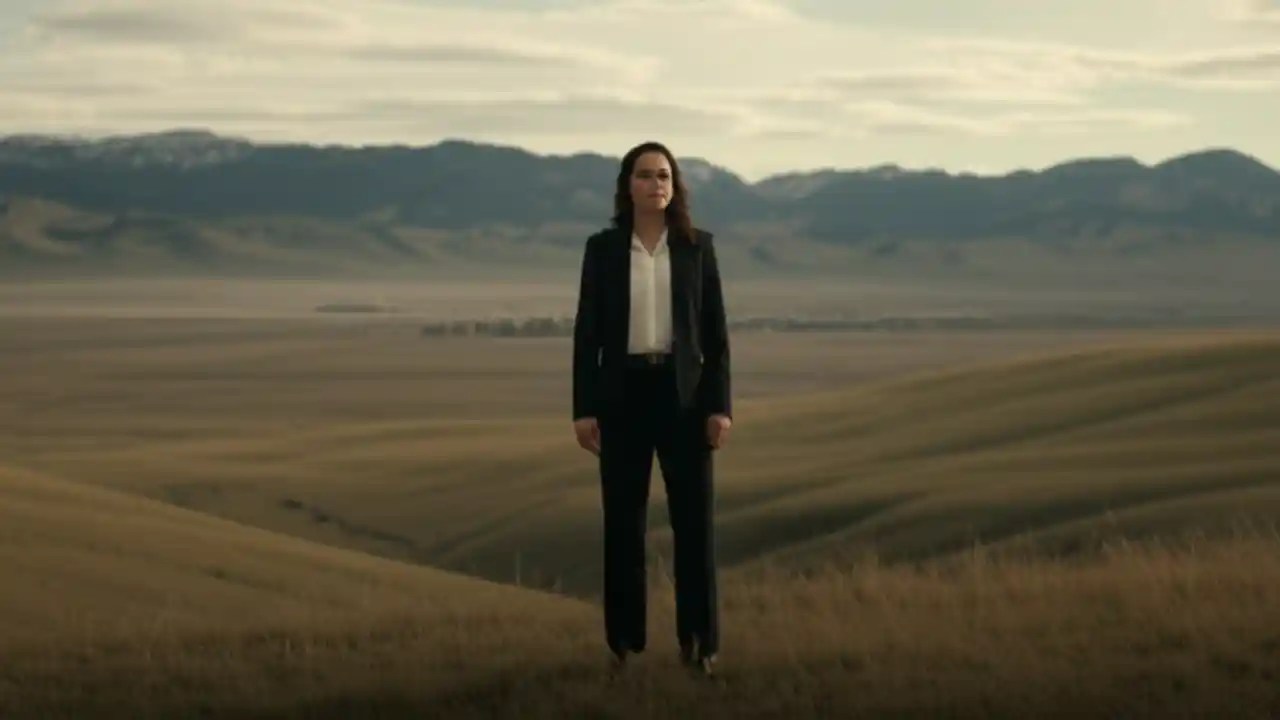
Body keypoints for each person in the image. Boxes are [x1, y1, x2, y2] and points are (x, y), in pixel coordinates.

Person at [571, 140, 733, 679]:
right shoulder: (603, 249)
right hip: (622, 398)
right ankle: (623, 643)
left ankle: (701, 643)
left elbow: (716, 338)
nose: (655, 184)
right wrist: (584, 409)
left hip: (684, 400)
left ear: (674, 186)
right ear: (628, 186)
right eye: (645, 175)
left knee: (695, 527)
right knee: (623, 526)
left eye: (664, 175)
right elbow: (586, 335)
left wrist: (719, 408)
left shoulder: (697, 248)